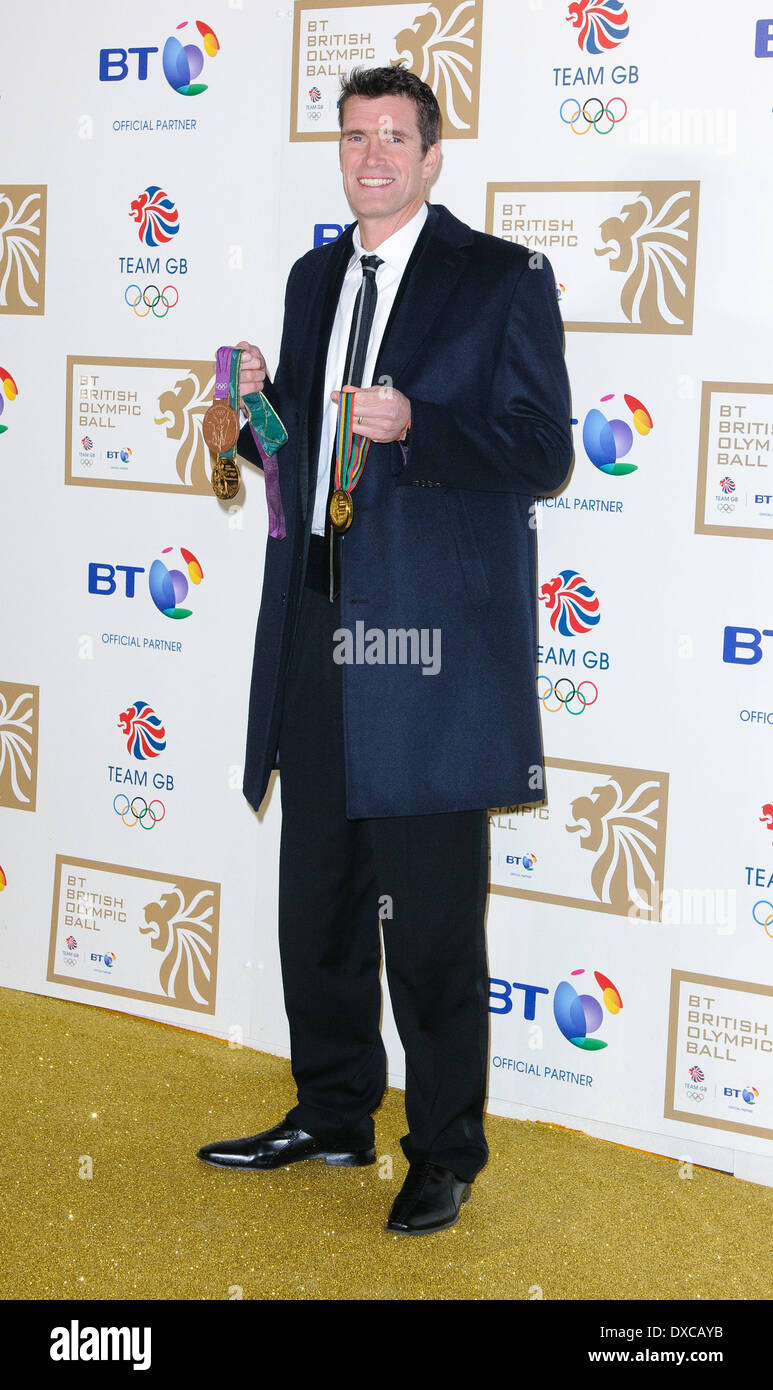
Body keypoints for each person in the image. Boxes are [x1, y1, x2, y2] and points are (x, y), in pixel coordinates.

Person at [197, 65, 572, 1235]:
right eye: (352, 135)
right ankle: (332, 1108)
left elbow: (542, 452)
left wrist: (420, 426)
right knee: (316, 899)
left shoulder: (501, 277)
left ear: (431, 154)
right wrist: (255, 416)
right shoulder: (318, 276)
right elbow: (308, 458)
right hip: (315, 618)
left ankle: (445, 1148)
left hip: (424, 646)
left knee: (430, 920)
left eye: (392, 137)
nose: (369, 156)